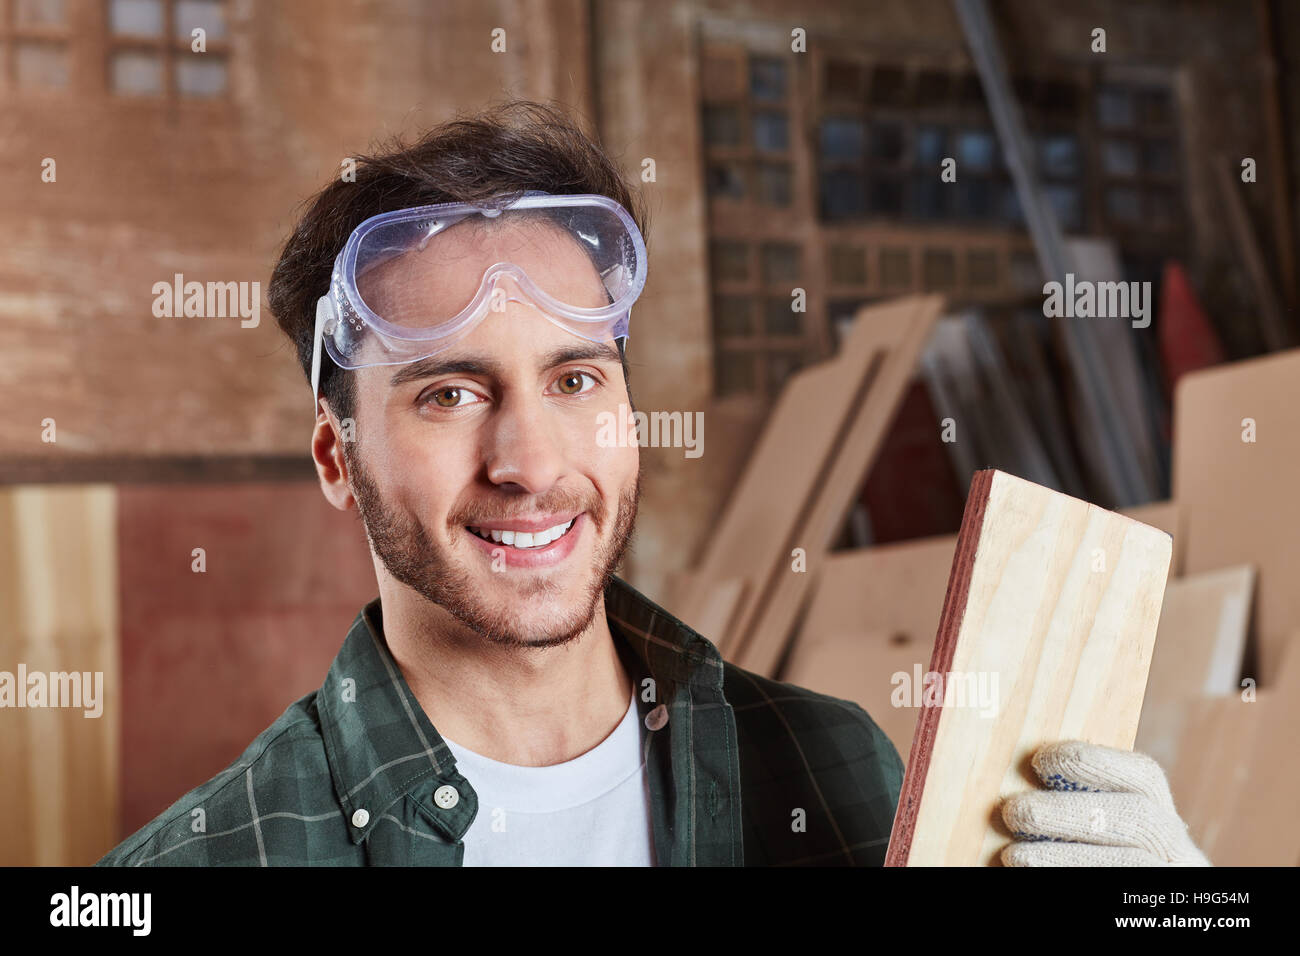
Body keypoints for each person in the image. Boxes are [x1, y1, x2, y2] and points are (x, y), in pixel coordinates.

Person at [97, 100, 1208, 867]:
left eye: (574, 376)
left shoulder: (831, 766)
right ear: (337, 457)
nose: (531, 464)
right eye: (448, 393)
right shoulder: (217, 856)